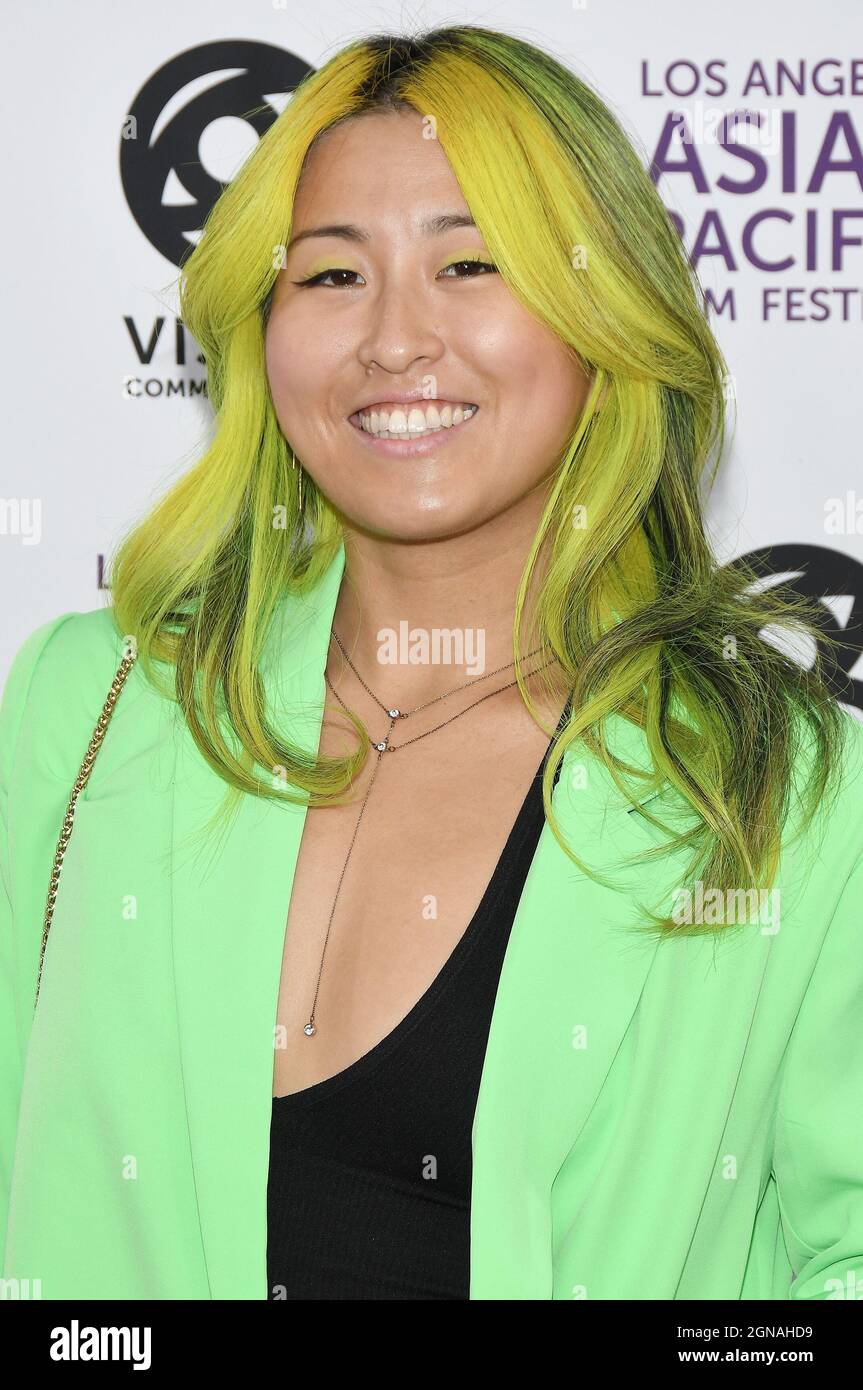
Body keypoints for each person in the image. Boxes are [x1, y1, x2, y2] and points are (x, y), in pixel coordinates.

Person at [2, 24, 862, 1302]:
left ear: (601, 308)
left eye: (469, 263)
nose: (394, 341)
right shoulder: (94, 703)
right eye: (333, 277)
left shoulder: (781, 790)